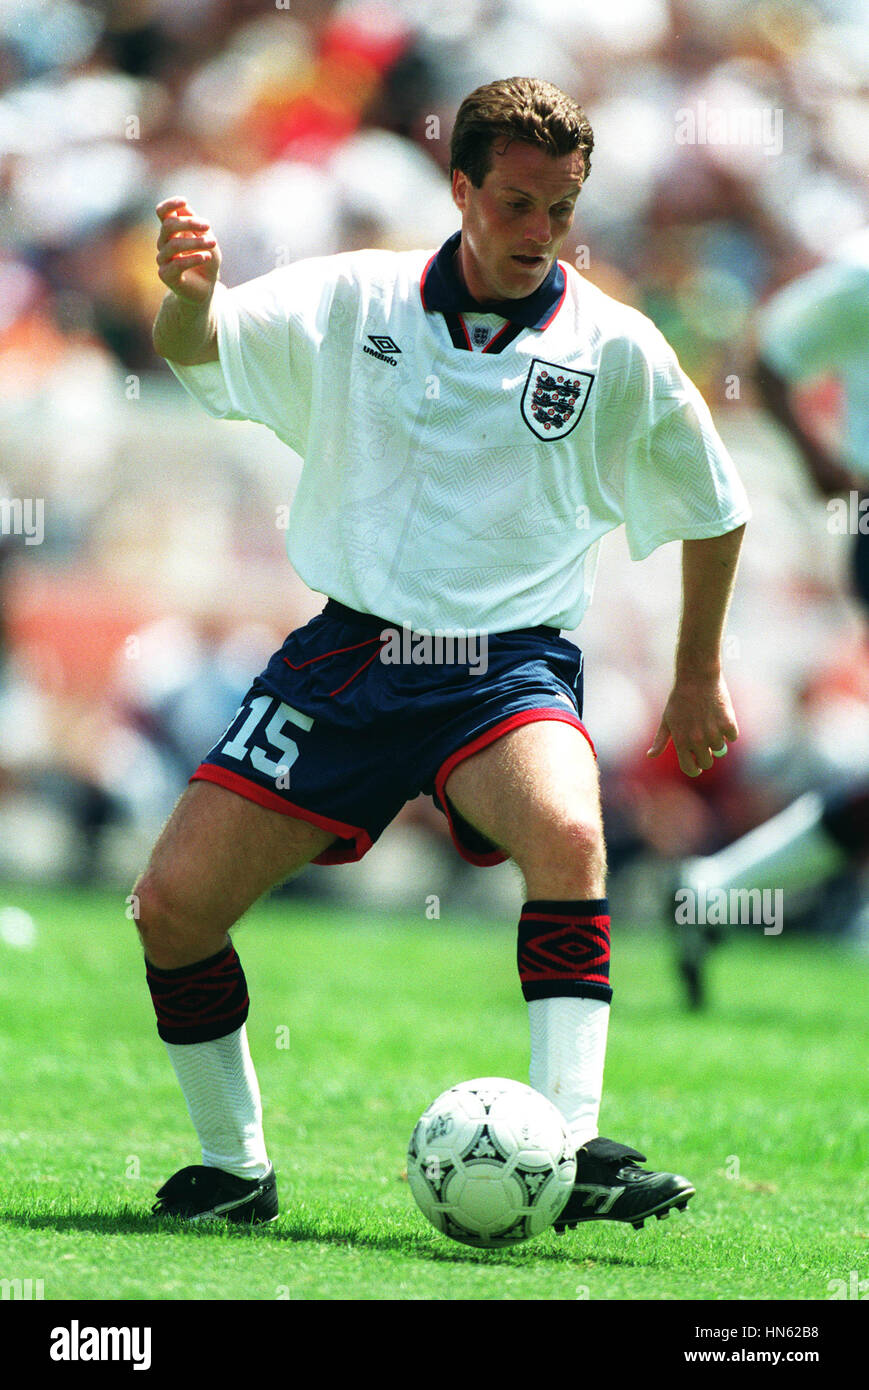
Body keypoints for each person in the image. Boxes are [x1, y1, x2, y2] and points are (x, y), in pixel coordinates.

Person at [138, 77, 750, 1231]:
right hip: (347, 658)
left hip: (503, 665)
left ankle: (571, 1147)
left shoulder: (615, 347)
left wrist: (696, 671)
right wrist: (185, 297)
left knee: (569, 832)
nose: (537, 234)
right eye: (514, 204)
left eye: (560, 211)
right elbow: (201, 344)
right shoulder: (354, 296)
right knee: (171, 907)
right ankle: (234, 1166)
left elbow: (715, 508)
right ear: (458, 187)